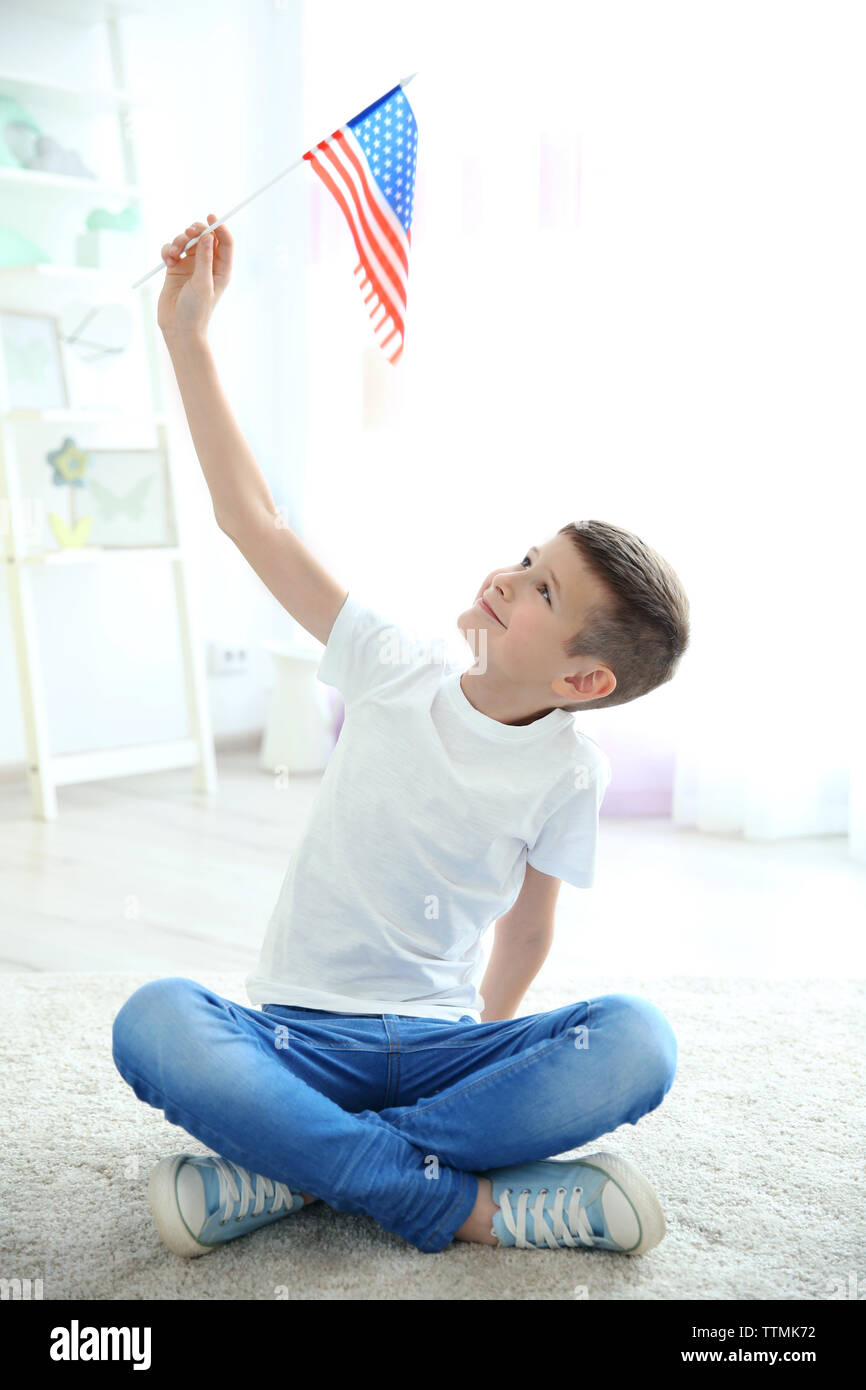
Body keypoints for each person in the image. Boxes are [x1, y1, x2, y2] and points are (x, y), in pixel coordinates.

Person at [112, 215, 689, 1257]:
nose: (508, 576)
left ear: (582, 676)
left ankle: (290, 1173)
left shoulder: (569, 772)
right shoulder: (390, 659)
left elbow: (525, 930)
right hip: (293, 1036)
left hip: (439, 1046)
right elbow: (257, 525)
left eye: (542, 588)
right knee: (157, 1018)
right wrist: (189, 339)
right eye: (526, 555)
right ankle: (456, 1199)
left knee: (637, 1042)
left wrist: (486, 1047)